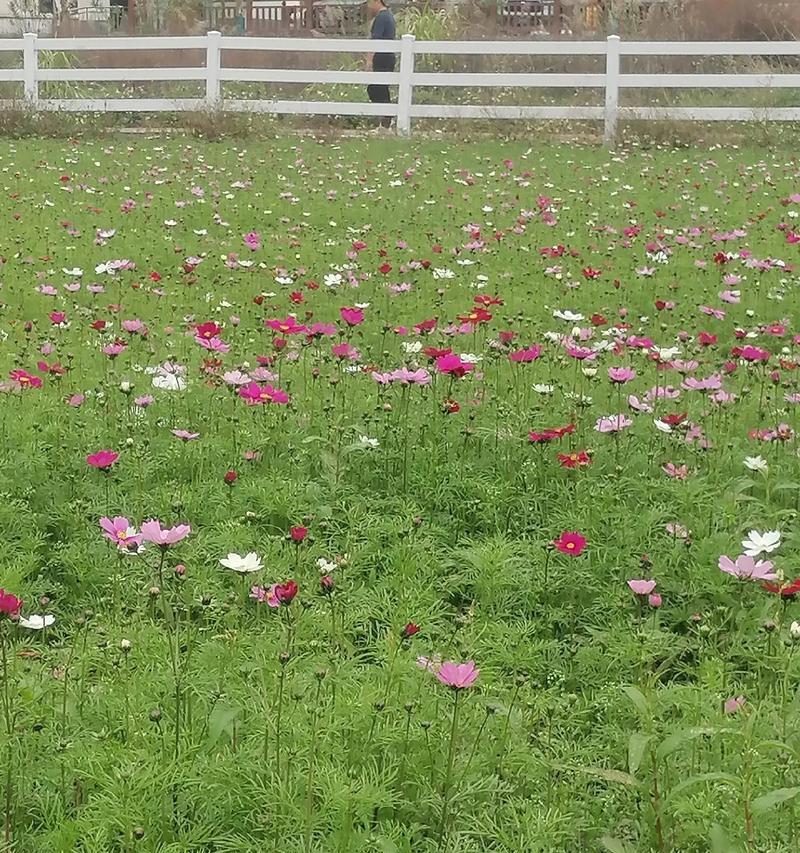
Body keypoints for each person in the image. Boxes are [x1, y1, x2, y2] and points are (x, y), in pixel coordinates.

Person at [366, 0, 396, 128]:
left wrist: (369, 60)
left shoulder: (381, 18)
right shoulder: (388, 16)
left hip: (382, 57)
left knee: (376, 88)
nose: (368, 5)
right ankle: (386, 120)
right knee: (381, 88)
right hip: (388, 57)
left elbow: (375, 40)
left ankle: (386, 119)